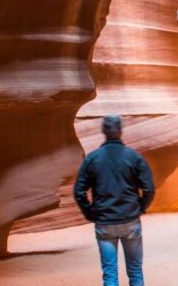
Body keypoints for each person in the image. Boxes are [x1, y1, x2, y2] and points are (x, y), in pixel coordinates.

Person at [73, 115, 155, 286]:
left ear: (103, 131)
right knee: (135, 271)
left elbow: (79, 191)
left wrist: (90, 213)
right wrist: (140, 208)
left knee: (109, 273)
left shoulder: (92, 159)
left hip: (104, 223)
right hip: (130, 220)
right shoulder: (133, 157)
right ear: (120, 131)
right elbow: (149, 188)